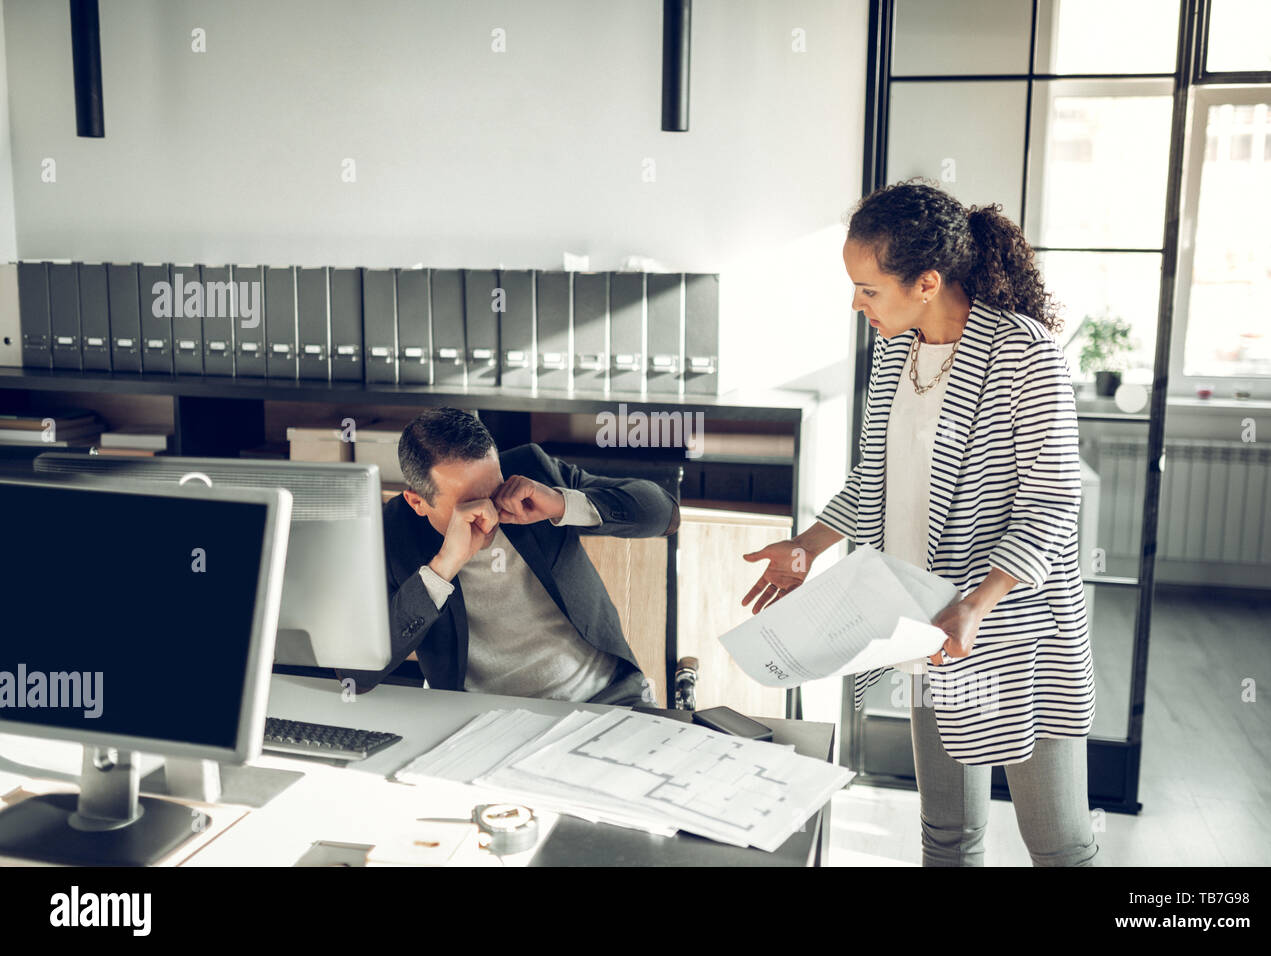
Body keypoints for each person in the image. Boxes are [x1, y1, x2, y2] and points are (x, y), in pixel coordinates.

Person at [742, 180, 1099, 866]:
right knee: (947, 836)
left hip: (1011, 630)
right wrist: (807, 546)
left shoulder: (1026, 354)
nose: (856, 303)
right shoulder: (894, 351)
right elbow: (873, 478)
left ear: (927, 281)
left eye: (869, 288)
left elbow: (1053, 501)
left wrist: (978, 601)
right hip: (927, 625)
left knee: (1060, 845)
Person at [336, 407, 679, 707]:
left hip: (606, 696)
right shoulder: (394, 531)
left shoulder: (531, 470)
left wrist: (562, 503)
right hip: (481, 719)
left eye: (494, 490)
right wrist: (441, 570)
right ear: (417, 502)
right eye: (469, 503)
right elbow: (355, 673)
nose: (491, 513)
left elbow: (665, 514)